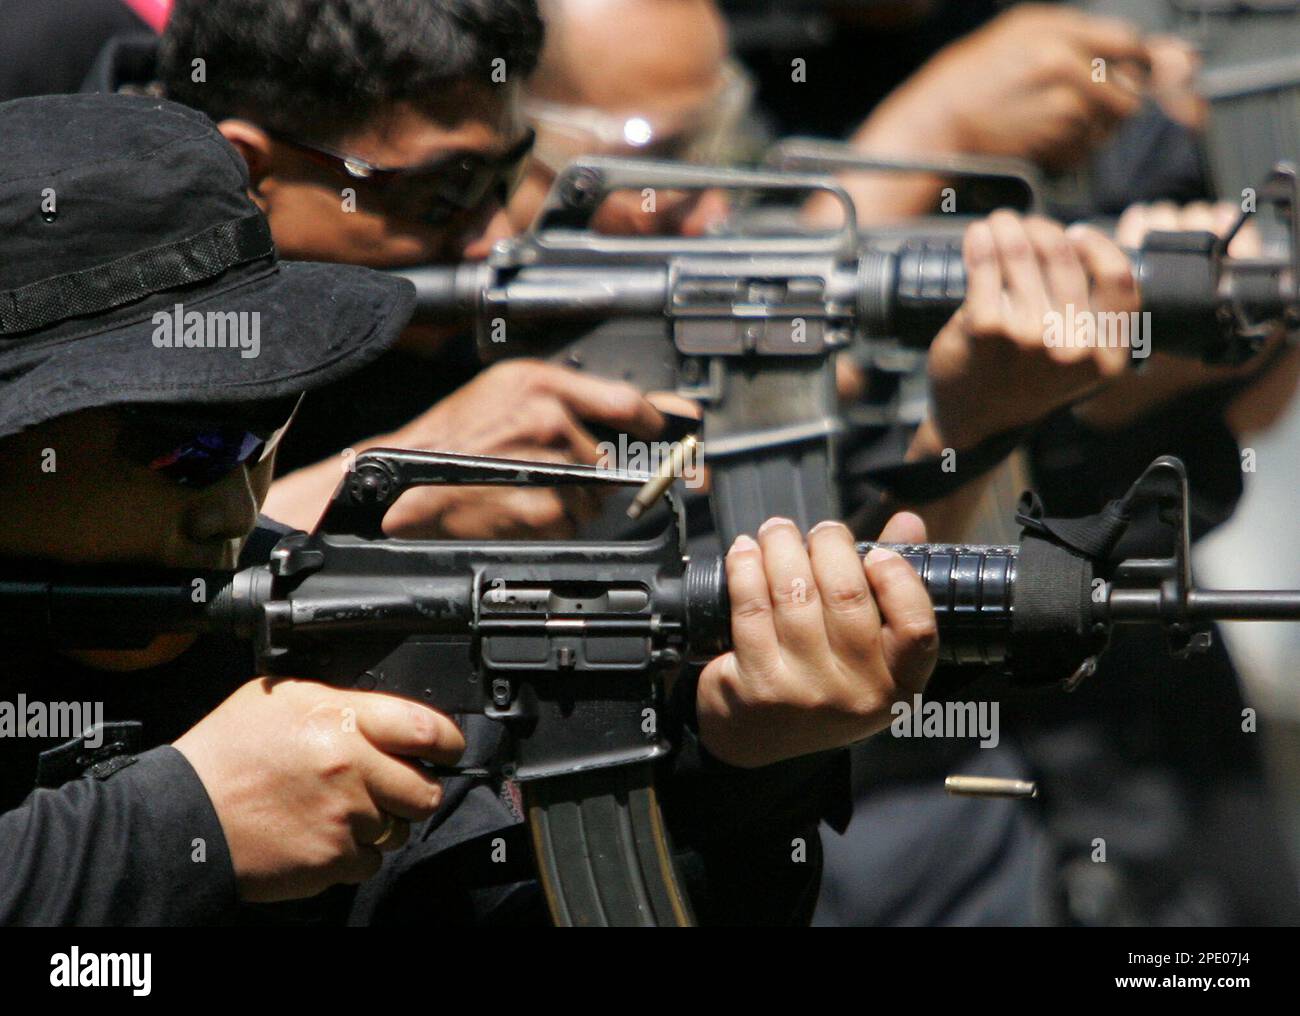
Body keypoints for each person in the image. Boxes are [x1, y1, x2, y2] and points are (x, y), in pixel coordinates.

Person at [0, 92, 943, 925]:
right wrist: (183, 827)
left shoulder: (323, 636)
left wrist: (743, 769)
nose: (235, 502)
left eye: (268, 421)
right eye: (187, 446)